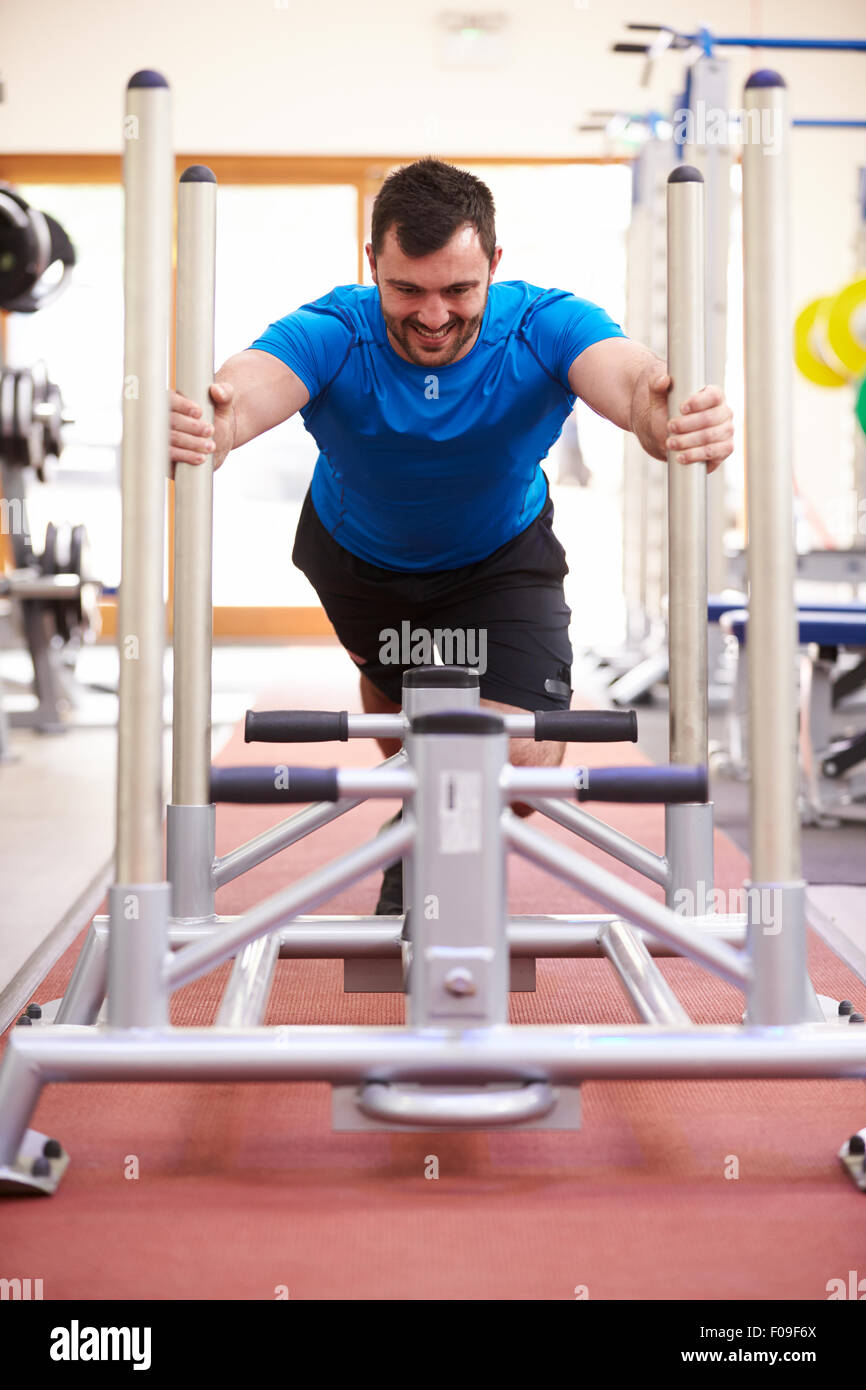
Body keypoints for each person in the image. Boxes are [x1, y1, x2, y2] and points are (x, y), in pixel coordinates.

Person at [169, 158, 733, 913]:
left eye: (459, 290)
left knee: (522, 766)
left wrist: (668, 416)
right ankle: (421, 807)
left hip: (500, 558)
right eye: (407, 290)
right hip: (359, 561)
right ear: (374, 266)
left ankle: (416, 820)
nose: (433, 316)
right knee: (409, 719)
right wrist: (216, 420)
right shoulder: (336, 328)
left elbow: (632, 381)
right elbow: (246, 388)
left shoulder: (542, 324)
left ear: (494, 266)